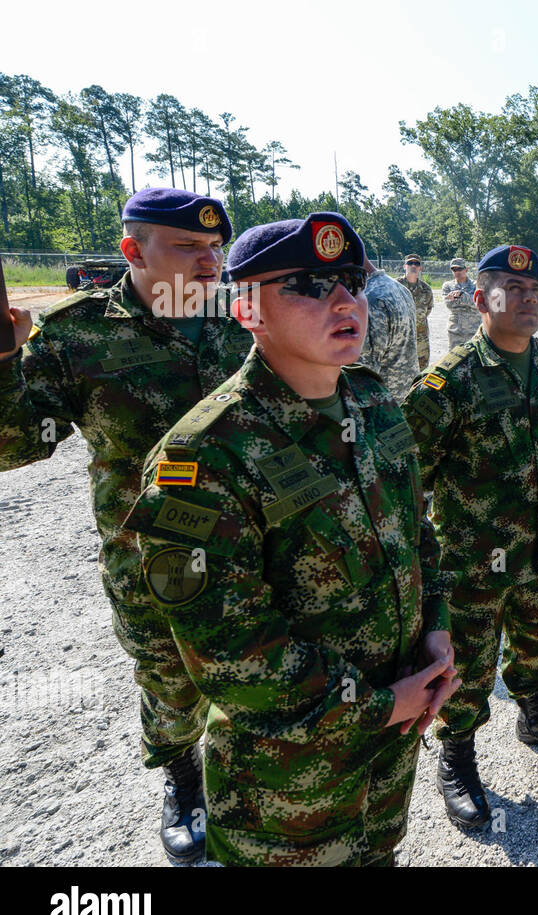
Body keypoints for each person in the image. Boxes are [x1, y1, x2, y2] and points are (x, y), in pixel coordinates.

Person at [126, 212, 458, 865]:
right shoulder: (200, 455)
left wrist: (436, 625)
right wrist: (378, 707)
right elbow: (229, 652)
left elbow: (416, 529)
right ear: (247, 309)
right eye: (308, 285)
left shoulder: (372, 401)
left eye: (352, 282)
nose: (345, 302)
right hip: (284, 794)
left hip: (387, 759)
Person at [0, 188, 248, 863]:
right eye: (188, 248)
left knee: (259, 665)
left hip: (256, 541)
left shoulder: (243, 316)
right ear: (133, 252)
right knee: (168, 676)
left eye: (214, 247)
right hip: (149, 552)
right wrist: (1, 364)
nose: (209, 262)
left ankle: (248, 784)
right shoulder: (79, 333)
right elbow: (18, 445)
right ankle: (182, 780)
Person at [402, 244, 538, 832]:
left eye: (534, 289)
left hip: (535, 551)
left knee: (537, 642)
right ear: (481, 299)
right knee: (470, 663)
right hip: (472, 565)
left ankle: (535, 713)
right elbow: (407, 480)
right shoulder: (448, 383)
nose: (528, 297)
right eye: (512, 287)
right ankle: (456, 756)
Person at [359, 254, 419, 396]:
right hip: (406, 396)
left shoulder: (371, 299)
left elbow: (362, 372)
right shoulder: (399, 288)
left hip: (384, 404)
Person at [397, 253, 435, 369]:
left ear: (420, 268)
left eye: (416, 264)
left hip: (420, 338)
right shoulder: (395, 286)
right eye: (410, 263)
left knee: (421, 369)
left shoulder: (426, 289)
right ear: (405, 266)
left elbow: (428, 309)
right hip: (399, 337)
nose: (413, 265)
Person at [441, 257, 480, 350]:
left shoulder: (476, 285)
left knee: (474, 359)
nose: (457, 272)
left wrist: (462, 295)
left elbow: (477, 304)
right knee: (454, 358)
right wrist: (468, 300)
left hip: (473, 329)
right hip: (455, 330)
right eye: (454, 269)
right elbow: (449, 305)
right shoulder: (448, 286)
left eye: (459, 269)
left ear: (466, 269)